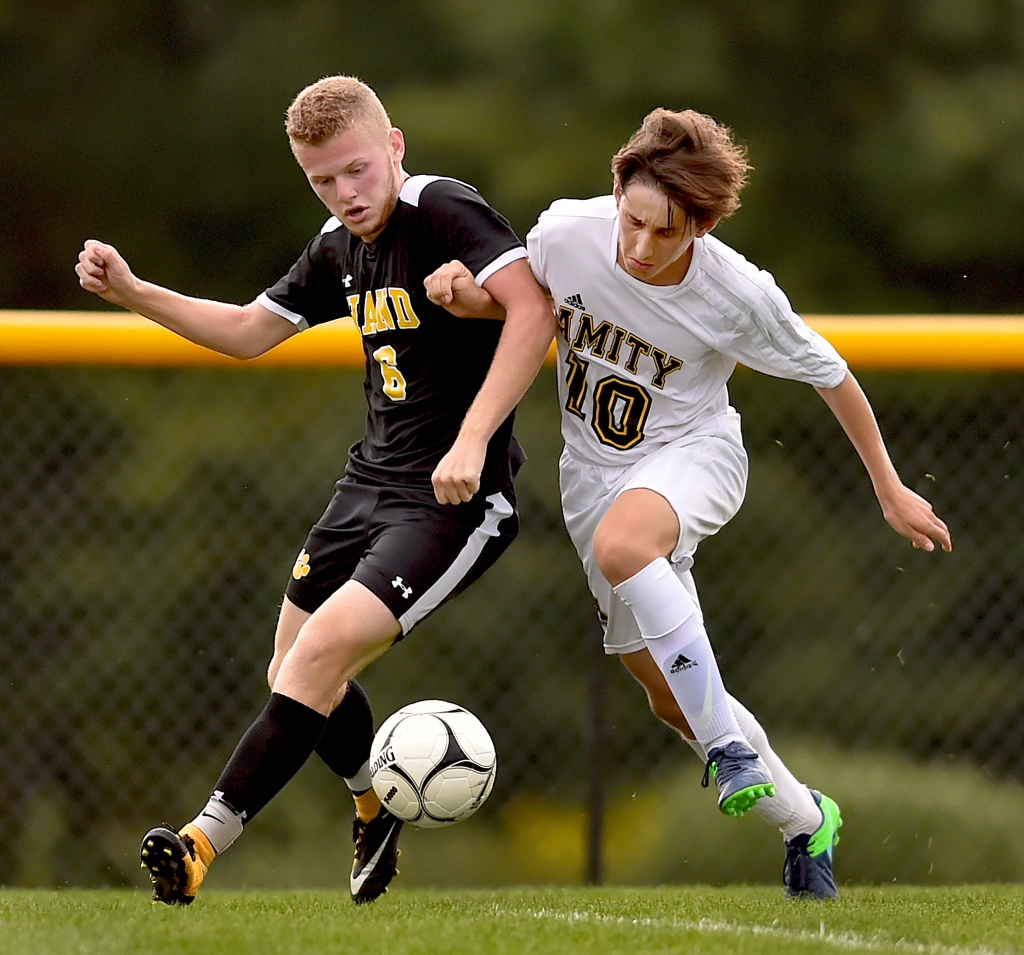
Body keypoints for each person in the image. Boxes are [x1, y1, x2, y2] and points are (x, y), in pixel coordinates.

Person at [426, 107, 952, 899]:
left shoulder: (737, 293)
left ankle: (729, 753)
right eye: (632, 220)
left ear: (700, 227)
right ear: (618, 191)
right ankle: (805, 818)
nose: (638, 246)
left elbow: (830, 372)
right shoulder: (568, 231)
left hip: (694, 457)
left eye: (664, 232)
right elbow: (532, 305)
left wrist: (888, 484)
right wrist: (466, 292)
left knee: (625, 547)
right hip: (591, 475)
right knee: (669, 696)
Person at [75, 74, 554, 906]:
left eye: (358, 170)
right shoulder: (340, 244)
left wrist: (475, 439)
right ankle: (373, 801)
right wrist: (133, 292)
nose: (345, 193)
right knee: (290, 669)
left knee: (321, 654)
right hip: (368, 481)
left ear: (395, 146)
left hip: (453, 499)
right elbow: (251, 333)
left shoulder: (442, 208)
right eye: (323, 180)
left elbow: (535, 310)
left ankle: (198, 843)